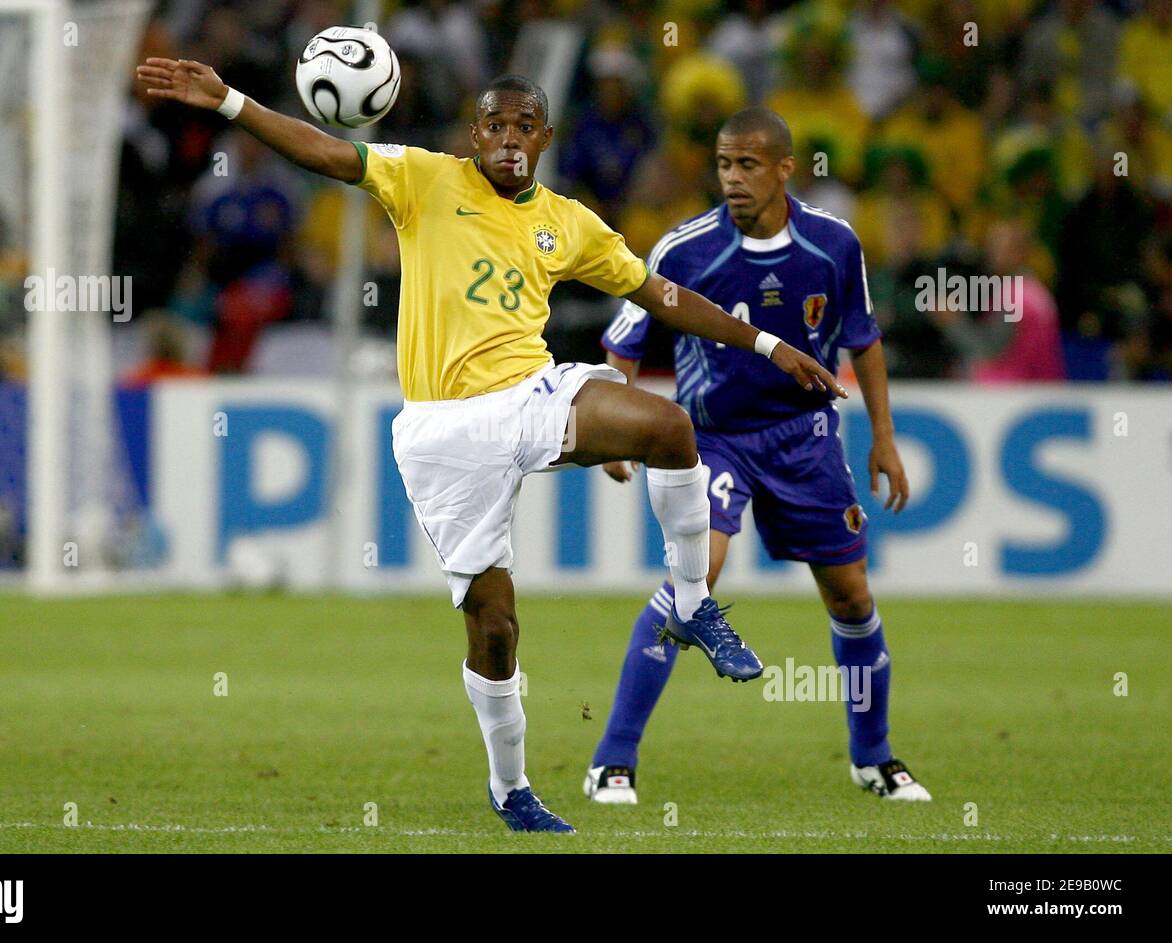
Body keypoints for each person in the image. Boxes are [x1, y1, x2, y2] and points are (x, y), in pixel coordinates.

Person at [135, 57, 845, 832]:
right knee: (496, 628)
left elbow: (661, 295)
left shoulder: (569, 222)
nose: (508, 136)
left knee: (668, 426)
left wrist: (770, 345)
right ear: (474, 135)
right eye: (493, 124)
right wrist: (234, 101)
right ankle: (511, 789)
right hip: (442, 432)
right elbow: (327, 152)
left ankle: (693, 600)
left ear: (544, 136)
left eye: (523, 125)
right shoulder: (426, 181)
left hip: (528, 393)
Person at [586, 108, 930, 805]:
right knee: (696, 581)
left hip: (806, 439)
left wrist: (884, 438)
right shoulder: (683, 249)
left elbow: (863, 340)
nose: (733, 179)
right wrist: (617, 424)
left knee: (853, 595)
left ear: (784, 169)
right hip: (711, 439)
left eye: (747, 165)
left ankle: (873, 756)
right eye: (723, 164)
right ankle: (612, 761)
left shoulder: (833, 245)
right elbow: (623, 341)